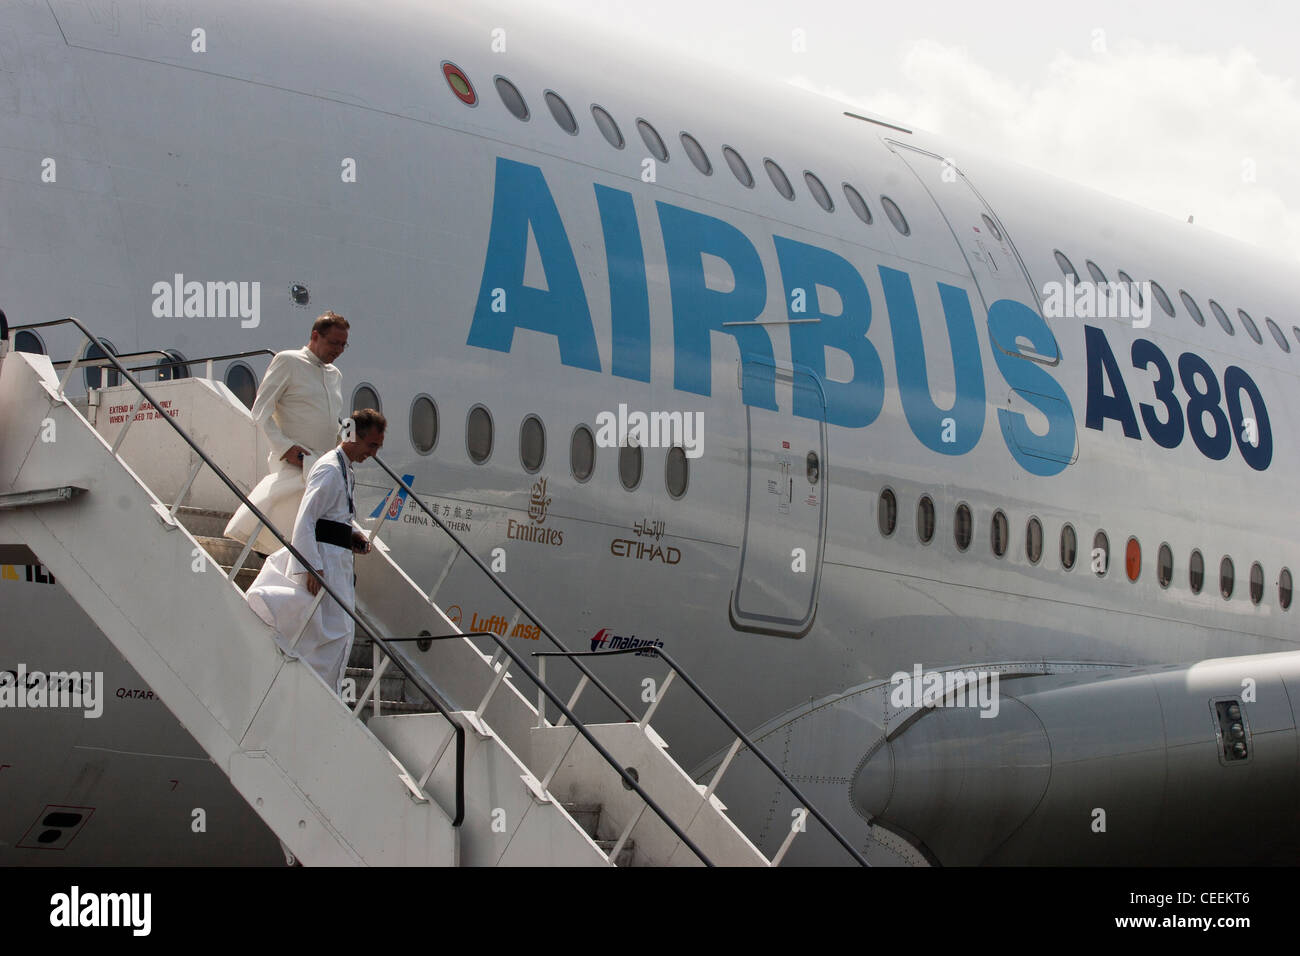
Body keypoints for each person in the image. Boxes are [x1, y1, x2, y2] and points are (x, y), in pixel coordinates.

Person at [244, 409, 386, 694]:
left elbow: (331, 517)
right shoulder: (330, 469)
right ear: (353, 437)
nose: (373, 454)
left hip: (335, 560)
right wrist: (309, 567)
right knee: (330, 633)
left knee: (337, 632)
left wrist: (352, 536)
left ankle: (322, 693)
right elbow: (306, 518)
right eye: (371, 445)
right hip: (323, 562)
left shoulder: (345, 469)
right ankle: (316, 693)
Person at [225, 312, 348, 553]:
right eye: (334, 343)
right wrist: (285, 448)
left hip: (321, 466)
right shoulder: (288, 361)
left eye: (344, 344)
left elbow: (331, 422)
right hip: (294, 463)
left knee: (309, 536)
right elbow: (260, 410)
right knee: (284, 535)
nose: (339, 350)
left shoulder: (335, 375)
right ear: (315, 336)